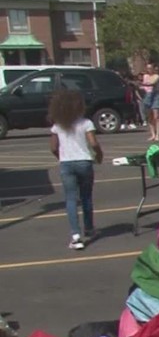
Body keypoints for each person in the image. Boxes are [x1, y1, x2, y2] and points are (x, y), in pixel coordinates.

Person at [49, 89, 103, 250]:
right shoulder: (86, 123)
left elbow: (53, 147)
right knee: (86, 197)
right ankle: (89, 228)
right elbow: (93, 143)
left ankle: (75, 235)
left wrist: (61, 157)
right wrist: (99, 154)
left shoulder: (57, 125)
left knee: (71, 199)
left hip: (67, 164)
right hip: (84, 162)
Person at [141, 62, 159, 142]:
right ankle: (153, 134)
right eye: (147, 68)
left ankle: (157, 135)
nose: (149, 70)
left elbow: (152, 83)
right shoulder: (145, 76)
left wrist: (145, 84)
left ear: (153, 69)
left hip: (155, 96)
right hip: (147, 96)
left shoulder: (157, 76)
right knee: (149, 116)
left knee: (156, 116)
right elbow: (144, 86)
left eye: (150, 68)